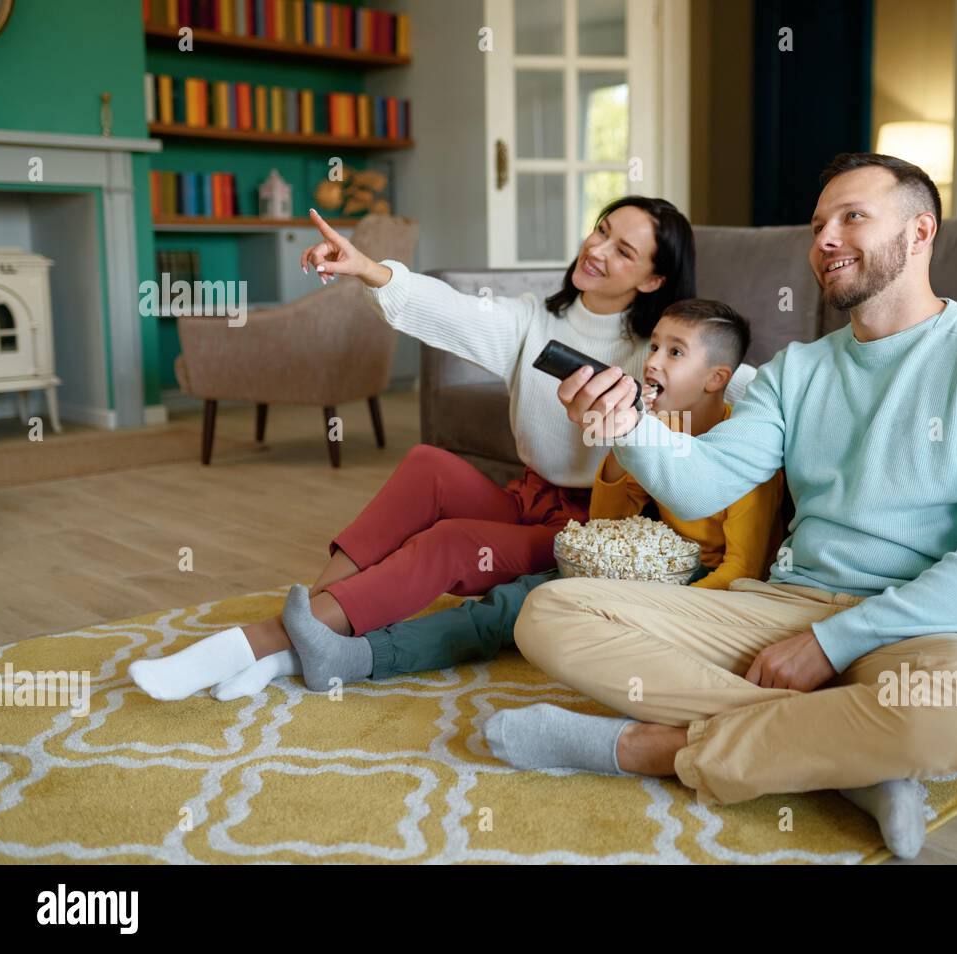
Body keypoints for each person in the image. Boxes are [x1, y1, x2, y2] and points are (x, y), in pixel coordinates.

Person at [487, 152, 957, 860]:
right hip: (782, 606)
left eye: (853, 217)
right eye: (819, 222)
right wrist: (630, 427)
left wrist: (833, 644)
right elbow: (706, 480)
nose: (825, 238)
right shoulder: (799, 370)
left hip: (923, 623)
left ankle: (651, 749)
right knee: (551, 612)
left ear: (920, 233)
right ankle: (852, 759)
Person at [129, 197, 755, 703]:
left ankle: (257, 643)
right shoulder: (530, 320)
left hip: (588, 528)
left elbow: (747, 386)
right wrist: (367, 268)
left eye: (623, 249)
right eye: (600, 231)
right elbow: (443, 309)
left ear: (654, 277)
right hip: (527, 497)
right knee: (428, 464)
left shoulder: (662, 354)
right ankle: (300, 642)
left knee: (453, 542)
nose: (595, 249)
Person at [278, 298, 785, 688]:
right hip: (641, 558)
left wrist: (659, 610)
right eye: (654, 346)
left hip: (696, 583)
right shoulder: (653, 429)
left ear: (718, 377)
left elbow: (742, 570)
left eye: (675, 352)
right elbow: (608, 524)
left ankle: (357, 651)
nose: (653, 362)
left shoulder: (742, 447)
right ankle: (356, 656)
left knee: (521, 611)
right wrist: (619, 444)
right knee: (511, 601)